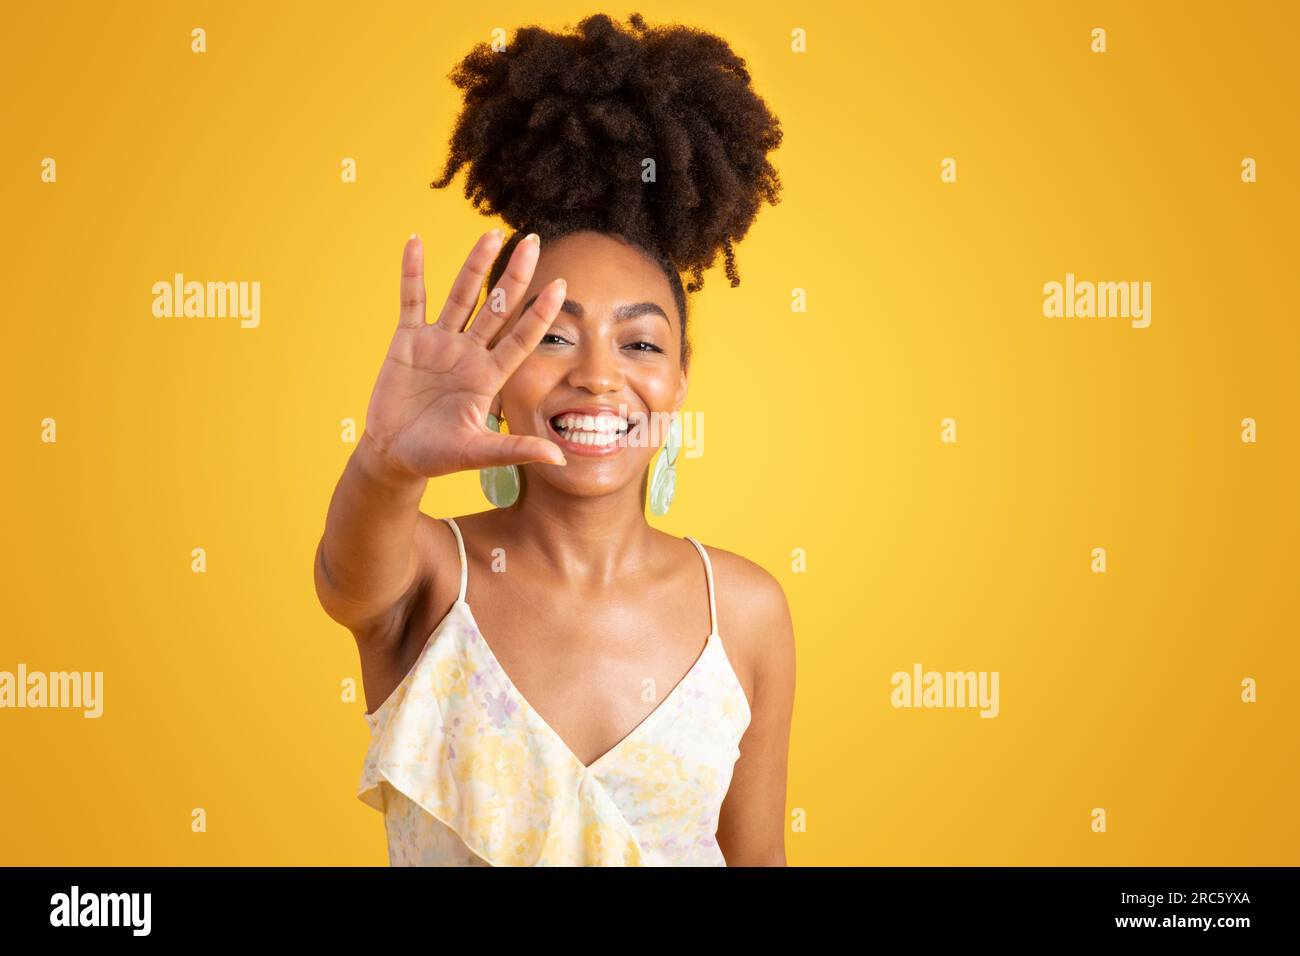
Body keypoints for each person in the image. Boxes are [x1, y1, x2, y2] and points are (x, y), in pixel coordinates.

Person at [314, 12, 794, 866]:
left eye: (641, 342)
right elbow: (344, 578)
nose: (601, 377)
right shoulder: (430, 576)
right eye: (554, 336)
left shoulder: (748, 614)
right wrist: (383, 464)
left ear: (679, 381)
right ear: (497, 370)